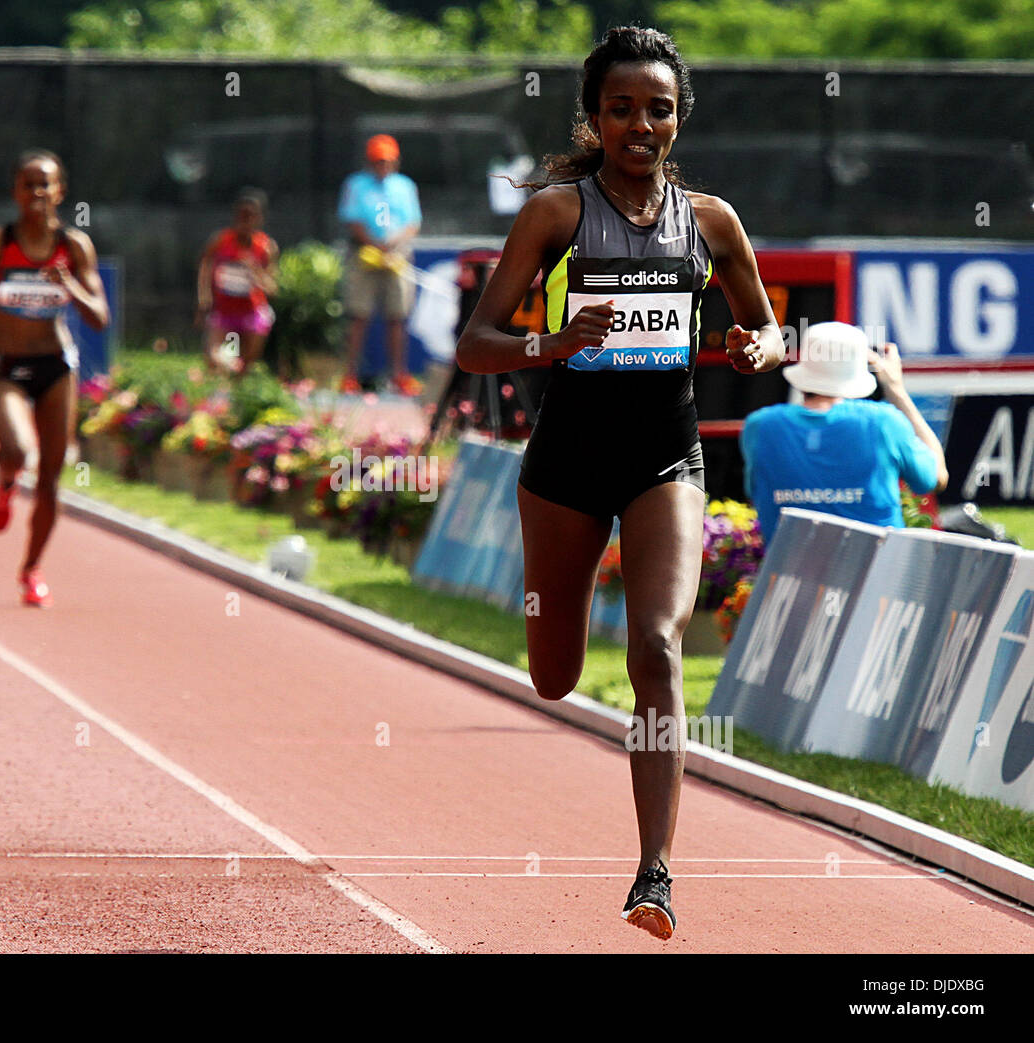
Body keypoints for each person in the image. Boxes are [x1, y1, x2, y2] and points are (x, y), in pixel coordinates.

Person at [455, 26, 783, 940]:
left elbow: (765, 332)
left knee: (659, 648)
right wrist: (553, 342)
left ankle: (655, 873)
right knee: (556, 675)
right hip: (564, 466)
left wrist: (756, 345)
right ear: (596, 117)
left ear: (680, 119)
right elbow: (474, 344)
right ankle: (547, 622)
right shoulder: (557, 213)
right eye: (623, 108)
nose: (642, 125)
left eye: (659, 109)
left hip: (664, 459)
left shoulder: (712, 221)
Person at [0, 149, 109, 607]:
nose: (38, 193)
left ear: (60, 191)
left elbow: (99, 317)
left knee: (50, 480)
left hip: (56, 366)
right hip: (8, 367)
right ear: (15, 191)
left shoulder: (74, 246)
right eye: (28, 184)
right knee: (17, 451)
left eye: (46, 184)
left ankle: (31, 569)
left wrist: (69, 285)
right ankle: (3, 485)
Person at [741, 322, 948, 543]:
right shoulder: (884, 421)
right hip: (878, 573)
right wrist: (896, 390)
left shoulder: (760, 426)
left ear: (803, 375)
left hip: (790, 574)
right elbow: (935, 478)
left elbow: (755, 494)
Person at [338, 133, 423, 396]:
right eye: (377, 161)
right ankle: (350, 375)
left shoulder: (405, 186)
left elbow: (413, 223)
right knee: (358, 315)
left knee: (397, 316)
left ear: (395, 161)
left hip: (397, 257)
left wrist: (392, 245)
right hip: (363, 255)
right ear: (369, 161)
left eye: (386, 161)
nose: (382, 166)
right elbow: (351, 220)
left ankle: (399, 375)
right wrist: (375, 245)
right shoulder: (356, 184)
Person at [196, 189, 279, 376]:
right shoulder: (221, 241)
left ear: (259, 218)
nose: (246, 220)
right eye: (242, 215)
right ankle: (225, 378)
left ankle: (237, 386)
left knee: (243, 366)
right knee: (220, 359)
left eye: (251, 216)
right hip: (226, 313)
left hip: (251, 313)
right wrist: (204, 298)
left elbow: (272, 288)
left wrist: (255, 270)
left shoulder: (265, 247)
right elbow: (205, 265)